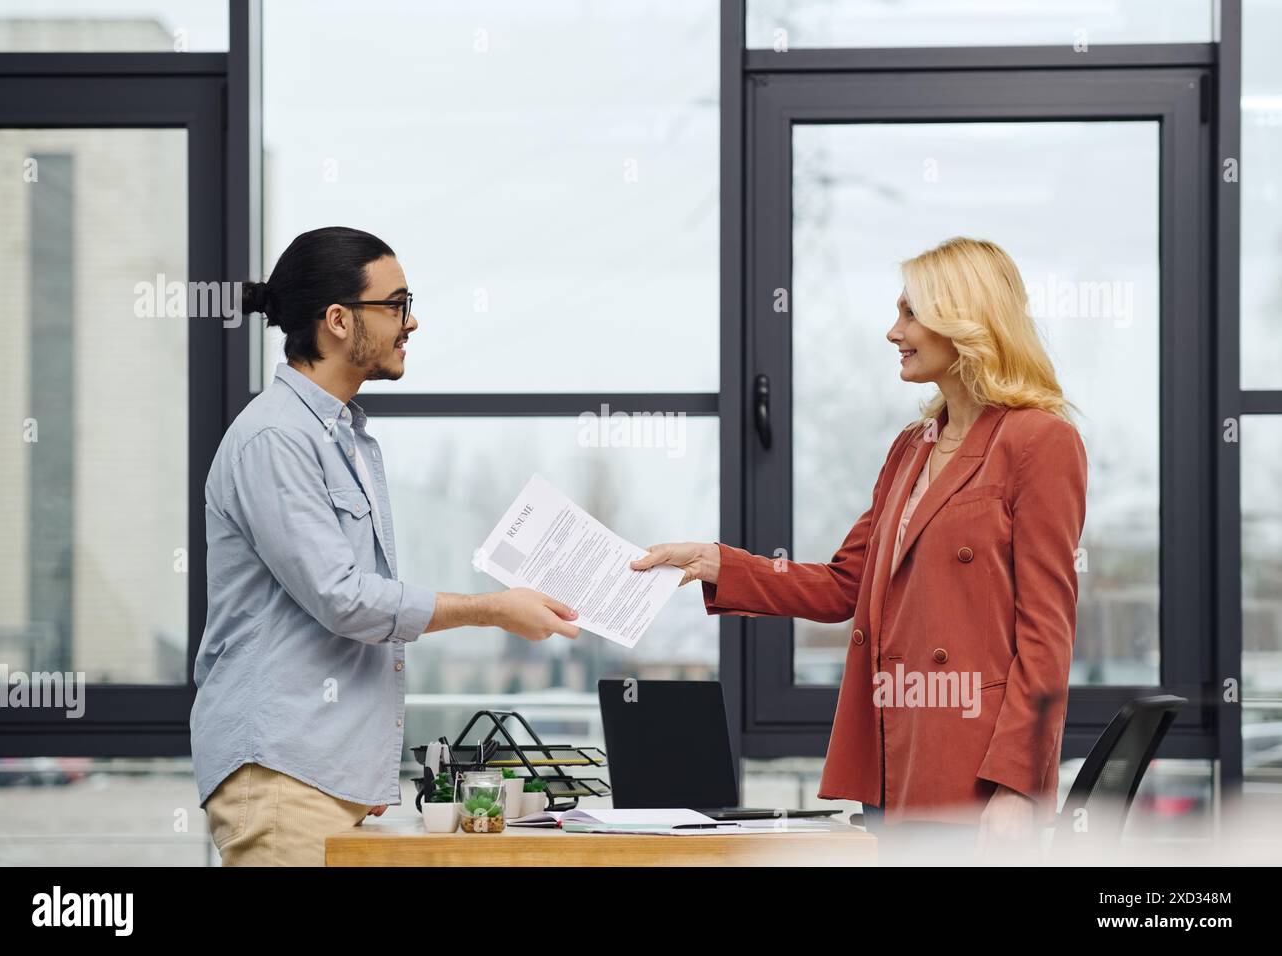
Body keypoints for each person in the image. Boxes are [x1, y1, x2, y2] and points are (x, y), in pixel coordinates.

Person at [632, 237, 1087, 862]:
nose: (892, 331)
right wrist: (717, 562)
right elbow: (845, 583)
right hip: (891, 754)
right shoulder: (913, 446)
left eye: (909, 313)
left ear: (966, 321)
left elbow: (1047, 634)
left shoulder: (1040, 442)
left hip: (975, 774)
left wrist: (1017, 785)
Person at [192, 226, 580, 866]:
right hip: (284, 777)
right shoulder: (275, 439)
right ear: (339, 320)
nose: (412, 322)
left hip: (321, 778)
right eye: (396, 305)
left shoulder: (345, 440)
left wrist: (359, 770)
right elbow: (345, 600)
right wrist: (493, 609)